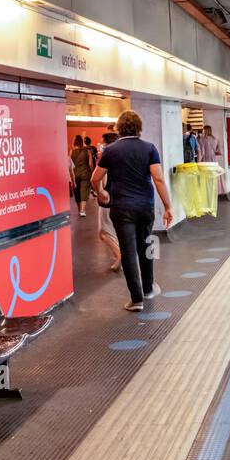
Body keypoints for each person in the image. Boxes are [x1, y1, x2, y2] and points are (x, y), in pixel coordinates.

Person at [92, 110, 174, 311]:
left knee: (128, 252)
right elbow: (158, 178)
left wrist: (101, 192)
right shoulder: (149, 148)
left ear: (119, 128)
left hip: (121, 208)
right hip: (145, 206)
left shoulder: (111, 150)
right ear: (139, 128)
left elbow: (95, 178)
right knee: (146, 245)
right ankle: (148, 289)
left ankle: (136, 300)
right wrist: (168, 206)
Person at [97, 132, 122, 272]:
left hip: (108, 200)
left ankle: (119, 255)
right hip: (120, 199)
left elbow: (98, 180)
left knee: (104, 232)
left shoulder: (105, 159)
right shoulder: (122, 157)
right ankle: (118, 254)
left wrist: (100, 191)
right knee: (115, 230)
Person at [71, 135, 94, 218]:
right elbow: (90, 164)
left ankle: (79, 210)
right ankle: (82, 210)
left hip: (75, 174)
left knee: (77, 192)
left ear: (74, 142)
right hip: (85, 173)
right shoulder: (88, 151)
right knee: (84, 191)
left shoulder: (71, 152)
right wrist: (92, 172)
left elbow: (70, 165)